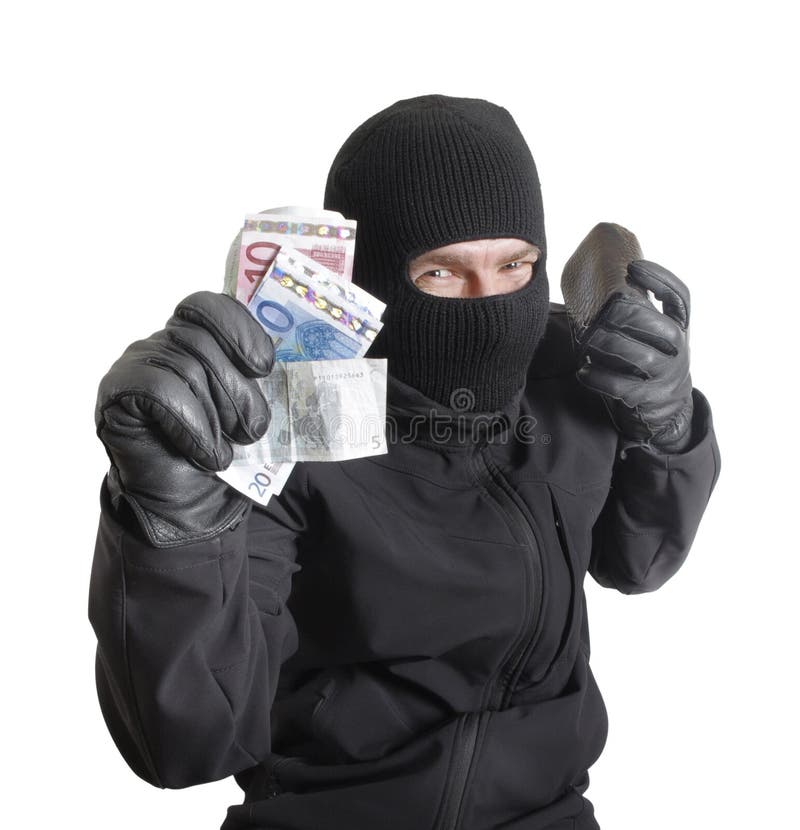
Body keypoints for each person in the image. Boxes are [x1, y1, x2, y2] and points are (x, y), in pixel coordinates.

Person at [89, 94, 721, 830]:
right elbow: (188, 743)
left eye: (515, 264)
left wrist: (669, 429)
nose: (488, 302)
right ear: (372, 284)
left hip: (551, 815)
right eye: (442, 274)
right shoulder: (279, 429)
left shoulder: (568, 371)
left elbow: (638, 559)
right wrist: (173, 526)